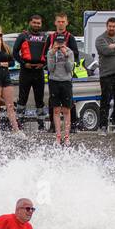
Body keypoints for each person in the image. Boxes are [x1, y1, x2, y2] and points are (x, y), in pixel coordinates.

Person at [47, 14, 79, 146]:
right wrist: (52, 53)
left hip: (66, 81)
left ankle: (67, 136)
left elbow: (69, 68)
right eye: (58, 42)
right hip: (54, 80)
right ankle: (57, 136)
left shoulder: (69, 52)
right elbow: (50, 68)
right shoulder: (50, 52)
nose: (60, 45)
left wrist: (66, 55)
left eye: (62, 42)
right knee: (55, 109)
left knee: (66, 109)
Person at [14, 14, 50, 129]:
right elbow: (15, 52)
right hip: (26, 71)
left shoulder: (45, 37)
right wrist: (24, 64)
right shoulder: (23, 36)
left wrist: (44, 65)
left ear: (41, 24)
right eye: (34, 22)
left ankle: (41, 124)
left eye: (38, 23)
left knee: (39, 99)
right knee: (22, 98)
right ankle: (19, 122)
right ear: (30, 22)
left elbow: (51, 54)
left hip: (39, 72)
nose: (36, 25)